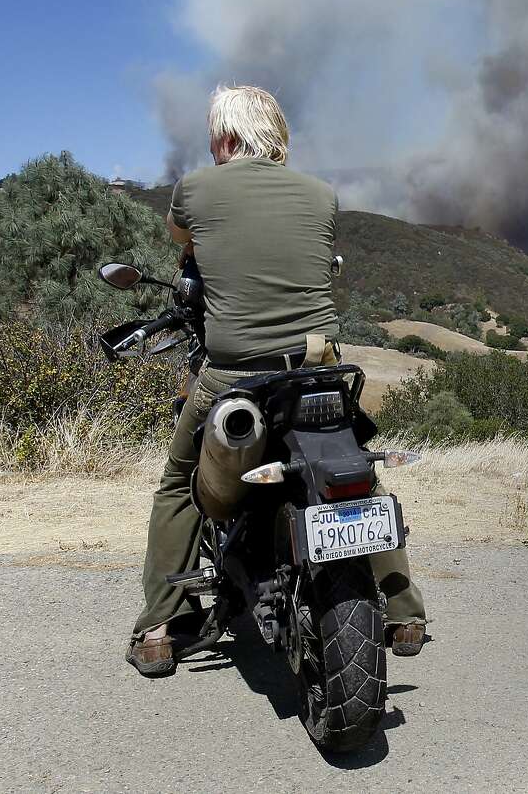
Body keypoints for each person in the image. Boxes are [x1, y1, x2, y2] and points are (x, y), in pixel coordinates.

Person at [126, 85, 425, 677]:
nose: (211, 148)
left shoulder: (196, 189)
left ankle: (158, 630)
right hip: (320, 370)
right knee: (354, 469)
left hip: (234, 377)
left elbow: (183, 242)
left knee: (180, 484)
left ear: (229, 138)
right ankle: (404, 610)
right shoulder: (322, 195)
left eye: (215, 138)